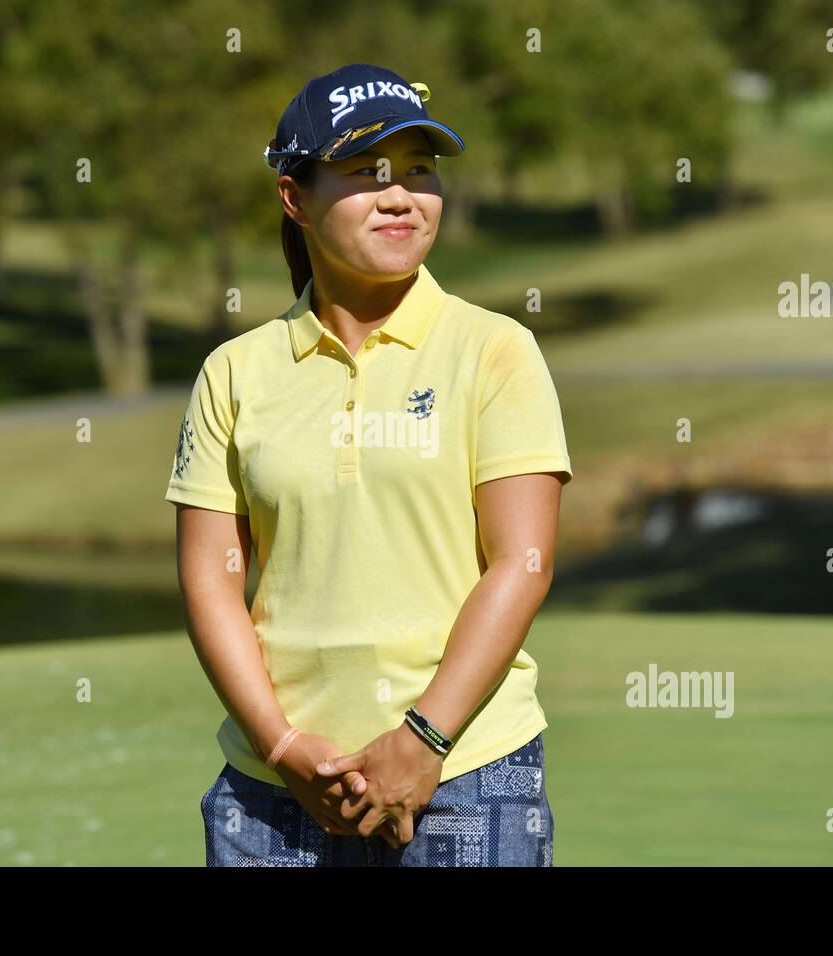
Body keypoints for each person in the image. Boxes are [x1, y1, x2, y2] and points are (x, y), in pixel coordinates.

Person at [167, 63, 572, 867]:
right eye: (366, 173)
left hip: (467, 774)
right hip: (273, 793)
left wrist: (421, 741)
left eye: (420, 171)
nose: (402, 196)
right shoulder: (235, 373)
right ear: (296, 198)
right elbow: (210, 581)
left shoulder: (494, 351)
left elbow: (522, 565)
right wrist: (282, 746)